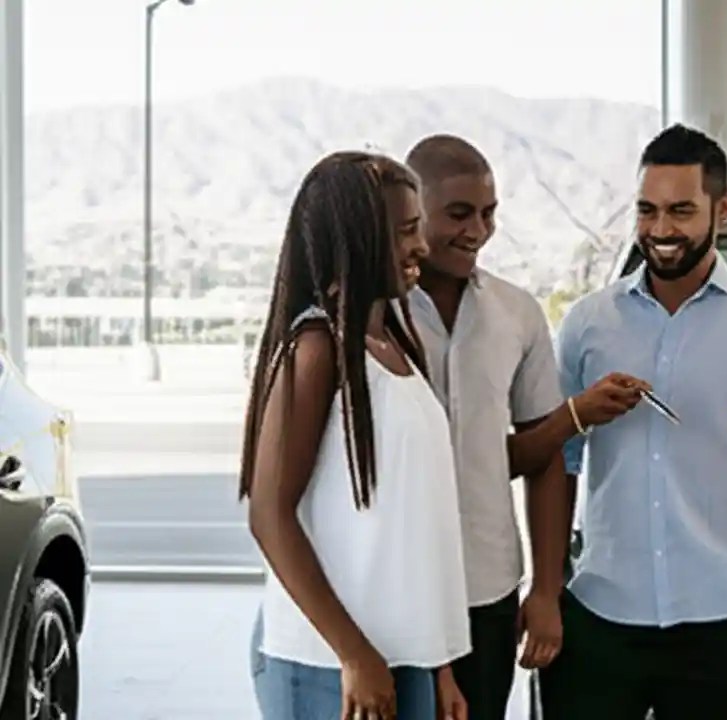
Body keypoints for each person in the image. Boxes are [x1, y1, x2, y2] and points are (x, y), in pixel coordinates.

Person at [538, 124, 727, 719]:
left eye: (681, 211)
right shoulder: (588, 323)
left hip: (723, 622)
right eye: (647, 210)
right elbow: (559, 463)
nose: (661, 229)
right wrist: (549, 586)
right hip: (598, 616)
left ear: (721, 209)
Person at [402, 134, 649, 720]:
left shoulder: (517, 314)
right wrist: (577, 413)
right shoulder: (374, 312)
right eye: (458, 214)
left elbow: (541, 458)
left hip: (486, 590)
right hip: (395, 590)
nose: (478, 231)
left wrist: (545, 587)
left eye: (489, 214)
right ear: (413, 214)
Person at [240, 150, 469, 720]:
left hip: (399, 656)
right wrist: (354, 655)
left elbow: (413, 523)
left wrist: (437, 663)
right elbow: (269, 513)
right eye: (405, 232)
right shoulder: (317, 350)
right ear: (357, 238)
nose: (421, 246)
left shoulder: (392, 342)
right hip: (333, 665)